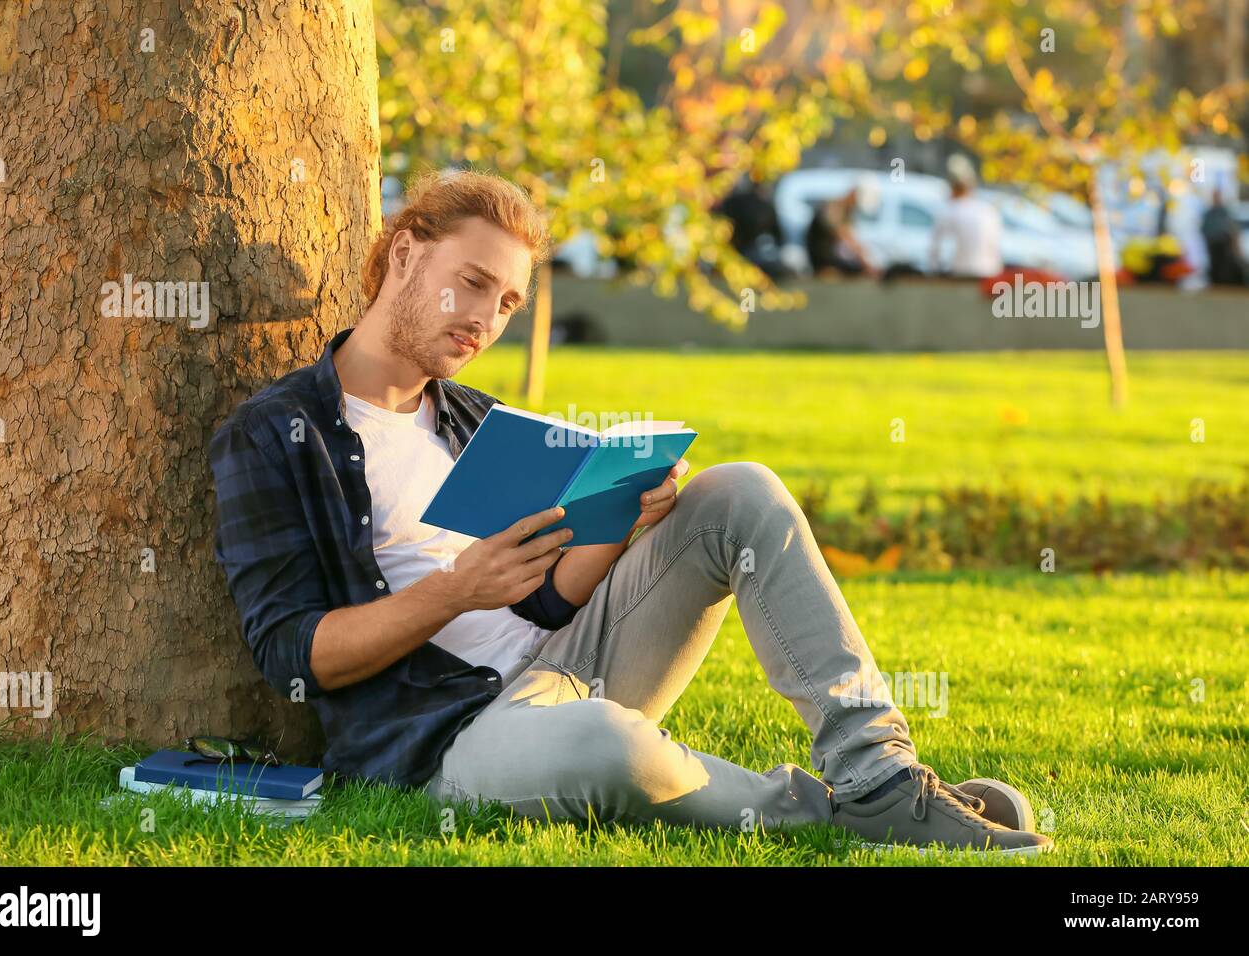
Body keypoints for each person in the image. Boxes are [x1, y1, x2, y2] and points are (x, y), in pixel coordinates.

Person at [208, 168, 1051, 855]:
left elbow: (543, 601)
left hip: (570, 660)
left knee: (739, 490)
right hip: (450, 739)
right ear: (402, 258)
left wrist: (624, 520)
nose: (483, 320)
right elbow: (291, 653)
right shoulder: (279, 434)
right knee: (603, 750)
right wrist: (457, 590)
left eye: (505, 303)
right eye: (470, 284)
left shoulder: (474, 419)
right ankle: (836, 815)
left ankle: (878, 773)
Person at [929, 155, 1002, 278]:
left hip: (961, 275)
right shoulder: (988, 210)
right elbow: (995, 249)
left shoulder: (949, 210)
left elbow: (935, 251)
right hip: (989, 274)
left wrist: (936, 270)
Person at [805, 187, 879, 277]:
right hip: (824, 265)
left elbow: (852, 240)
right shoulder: (833, 207)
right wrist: (866, 262)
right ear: (853, 194)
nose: (855, 207)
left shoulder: (847, 213)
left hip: (834, 262)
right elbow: (844, 235)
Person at [1201, 190, 1248, 287]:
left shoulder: (1225, 212)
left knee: (1224, 265)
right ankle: (1214, 282)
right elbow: (1204, 228)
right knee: (1213, 264)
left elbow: (1232, 228)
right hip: (1211, 243)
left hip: (1223, 243)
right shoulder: (1208, 212)